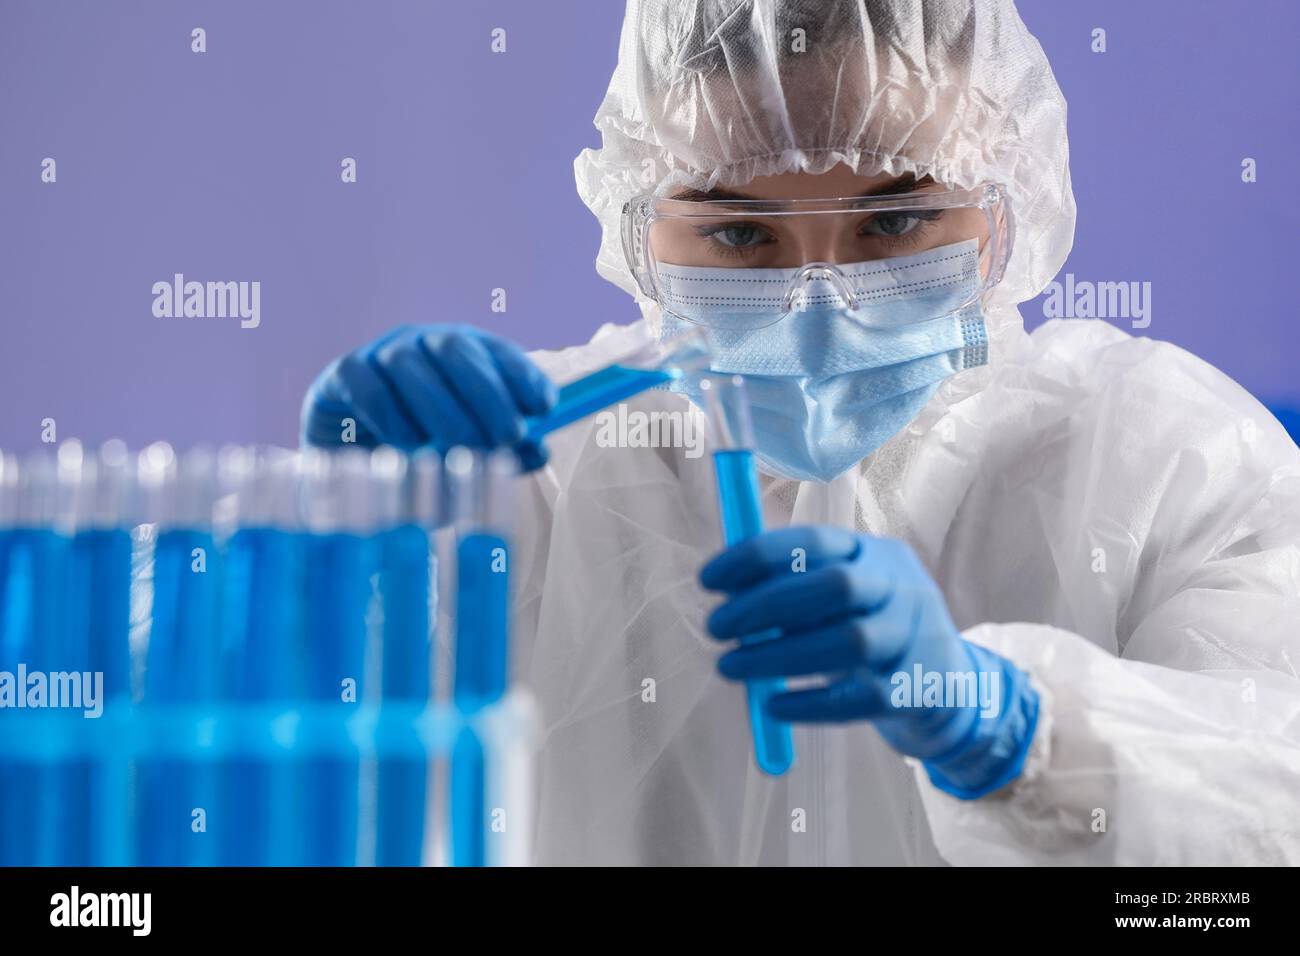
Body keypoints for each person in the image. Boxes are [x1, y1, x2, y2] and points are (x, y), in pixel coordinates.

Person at [302, 0, 1300, 864]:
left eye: (894, 223)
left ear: (1003, 210)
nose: (819, 305)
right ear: (638, 231)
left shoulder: (1161, 456)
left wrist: (1012, 727)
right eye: (739, 233)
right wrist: (338, 546)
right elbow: (258, 773)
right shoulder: (534, 468)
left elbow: (1272, 800)